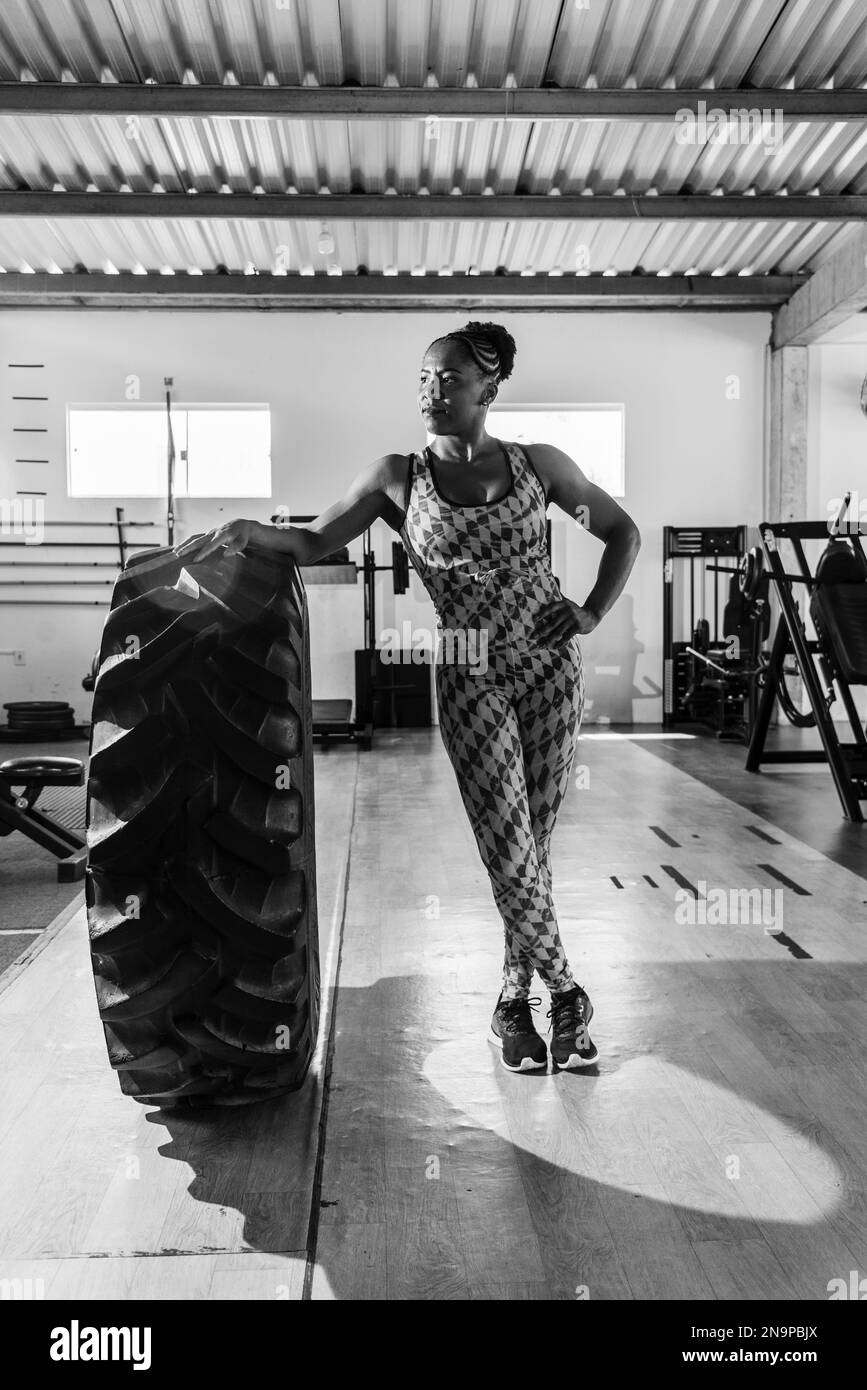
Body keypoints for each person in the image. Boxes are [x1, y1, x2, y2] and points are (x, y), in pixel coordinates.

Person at [181, 321, 641, 1073]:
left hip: (550, 666)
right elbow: (309, 544)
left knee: (530, 845)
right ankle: (565, 991)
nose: (433, 389)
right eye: (425, 377)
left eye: (450, 378)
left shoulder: (541, 467)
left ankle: (509, 1000)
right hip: (467, 667)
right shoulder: (398, 477)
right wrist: (240, 530)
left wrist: (589, 612)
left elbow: (622, 532)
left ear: (488, 389)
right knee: (505, 836)